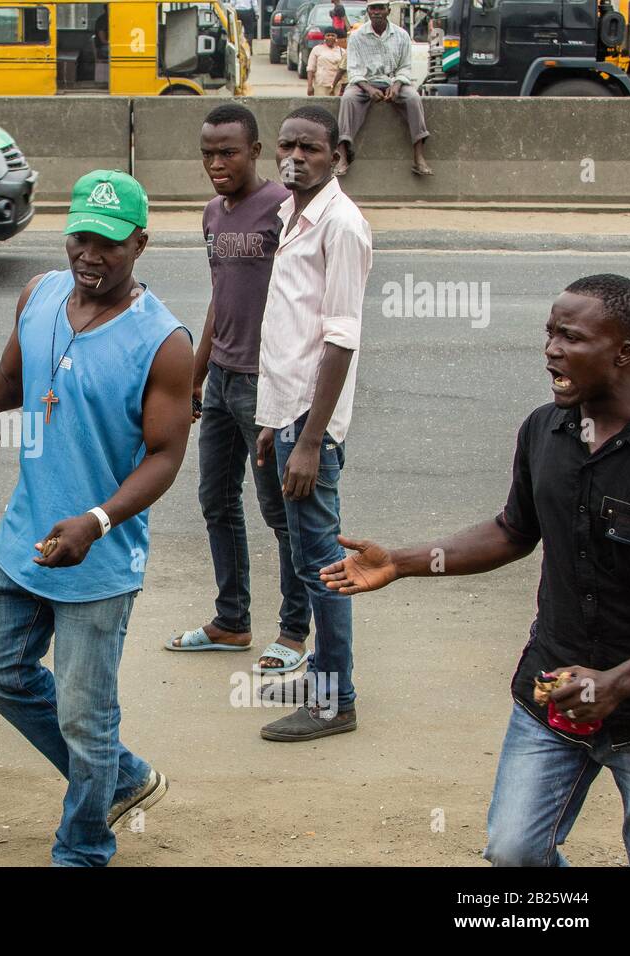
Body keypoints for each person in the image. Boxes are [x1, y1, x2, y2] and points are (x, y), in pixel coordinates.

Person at [0, 170, 193, 866]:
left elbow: (166, 455)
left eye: (109, 244)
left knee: (86, 719)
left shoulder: (163, 341)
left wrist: (96, 520)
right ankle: (120, 777)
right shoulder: (42, 294)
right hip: (23, 542)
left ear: (140, 245)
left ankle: (83, 844)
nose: (90, 254)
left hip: (100, 559)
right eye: (81, 237)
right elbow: (5, 387)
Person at [320, 275, 630, 865]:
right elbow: (513, 532)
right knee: (514, 852)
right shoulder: (544, 430)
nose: (551, 349)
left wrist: (615, 684)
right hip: (553, 692)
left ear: (624, 354)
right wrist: (403, 562)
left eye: (571, 337)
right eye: (549, 333)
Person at [167, 105, 312, 674]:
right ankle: (231, 621)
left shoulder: (283, 210)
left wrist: (287, 387)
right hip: (223, 380)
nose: (216, 164)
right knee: (215, 501)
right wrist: (197, 375)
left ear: (256, 151)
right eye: (207, 153)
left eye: (228, 152)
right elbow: (220, 301)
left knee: (279, 512)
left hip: (267, 385)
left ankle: (294, 631)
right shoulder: (212, 215)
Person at [252, 106, 372, 742]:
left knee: (323, 562)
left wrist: (308, 437)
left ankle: (335, 700)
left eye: (312, 149)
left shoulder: (342, 225)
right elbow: (289, 329)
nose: (296, 157)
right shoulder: (289, 214)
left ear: (337, 157)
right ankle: (325, 670)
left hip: (312, 425)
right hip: (287, 413)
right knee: (305, 555)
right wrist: (273, 419)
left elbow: (339, 338)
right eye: (288, 146)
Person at [336, 0, 432, 177]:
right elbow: (354, 70)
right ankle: (342, 155)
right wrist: (368, 89)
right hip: (365, 82)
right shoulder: (357, 37)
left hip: (393, 81)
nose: (377, 12)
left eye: (380, 8)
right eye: (373, 8)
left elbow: (405, 67)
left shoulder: (402, 35)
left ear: (388, 11)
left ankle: (419, 156)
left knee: (413, 98)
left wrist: (396, 85)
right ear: (368, 11)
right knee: (348, 99)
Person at [307, 28, 347, 97]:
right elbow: (310, 69)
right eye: (328, 35)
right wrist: (310, 86)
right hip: (321, 85)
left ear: (336, 37)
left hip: (337, 86)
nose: (330, 37)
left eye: (332, 35)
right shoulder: (317, 49)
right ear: (324, 37)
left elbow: (344, 70)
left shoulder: (342, 51)